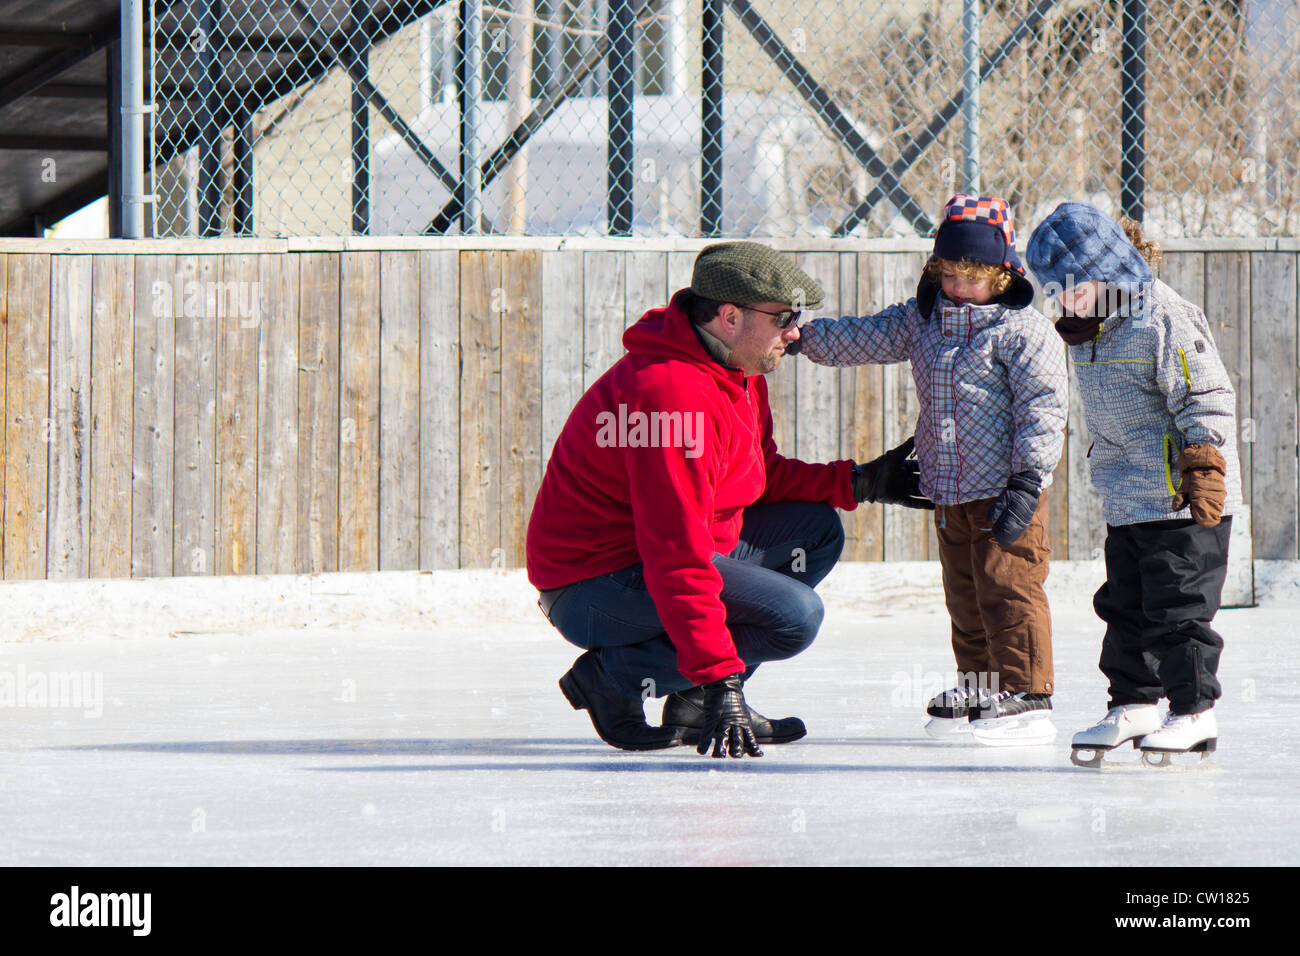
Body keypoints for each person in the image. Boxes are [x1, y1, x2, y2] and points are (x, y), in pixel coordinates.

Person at [526, 241, 931, 758]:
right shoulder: (670, 400)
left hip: (653, 559)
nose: (794, 331)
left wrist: (862, 483)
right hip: (594, 587)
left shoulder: (736, 373)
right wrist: (724, 680)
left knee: (815, 531)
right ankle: (614, 680)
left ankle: (690, 703)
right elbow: (676, 554)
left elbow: (759, 477)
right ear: (730, 316)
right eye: (783, 317)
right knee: (793, 618)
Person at [792, 194, 1069, 744]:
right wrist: (802, 337)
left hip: (1007, 490)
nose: (959, 286)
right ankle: (981, 682)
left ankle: (1028, 693)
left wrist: (1028, 478)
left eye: (973, 275)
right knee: (965, 593)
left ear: (1001, 272)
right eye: (949, 273)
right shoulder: (925, 321)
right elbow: (861, 337)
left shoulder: (1022, 330)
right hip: (947, 490)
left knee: (1008, 587)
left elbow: (1045, 407)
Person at [1026, 202, 1241, 765]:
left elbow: (1207, 396)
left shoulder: (1163, 318)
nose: (1065, 299)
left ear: (1110, 271)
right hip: (1128, 498)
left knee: (1178, 611)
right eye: (1057, 290)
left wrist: (1203, 468)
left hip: (1182, 500)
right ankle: (1135, 702)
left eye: (1075, 286)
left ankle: (1194, 711)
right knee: (1124, 608)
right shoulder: (1088, 330)